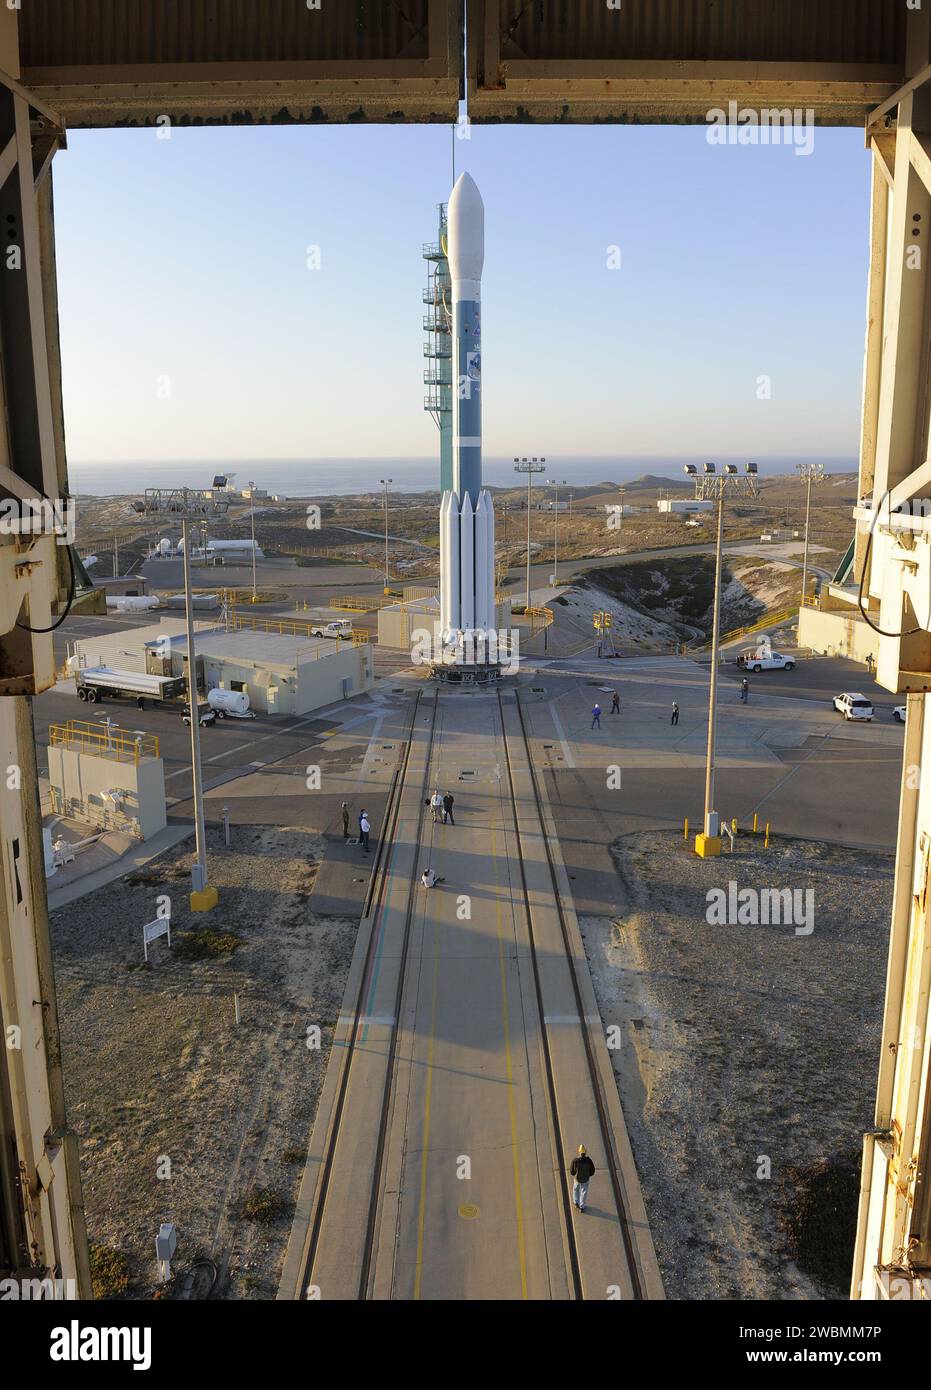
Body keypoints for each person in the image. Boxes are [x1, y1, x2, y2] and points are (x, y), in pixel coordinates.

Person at [570, 1145, 596, 1213]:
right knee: (584, 1192)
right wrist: (588, 1175)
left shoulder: (575, 1161)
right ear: (585, 1153)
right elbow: (592, 1171)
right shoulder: (589, 1161)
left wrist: (575, 1173)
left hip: (577, 1179)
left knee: (575, 1189)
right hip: (585, 1179)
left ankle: (576, 1202)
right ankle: (582, 1207)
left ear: (579, 1152)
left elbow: (572, 1172)